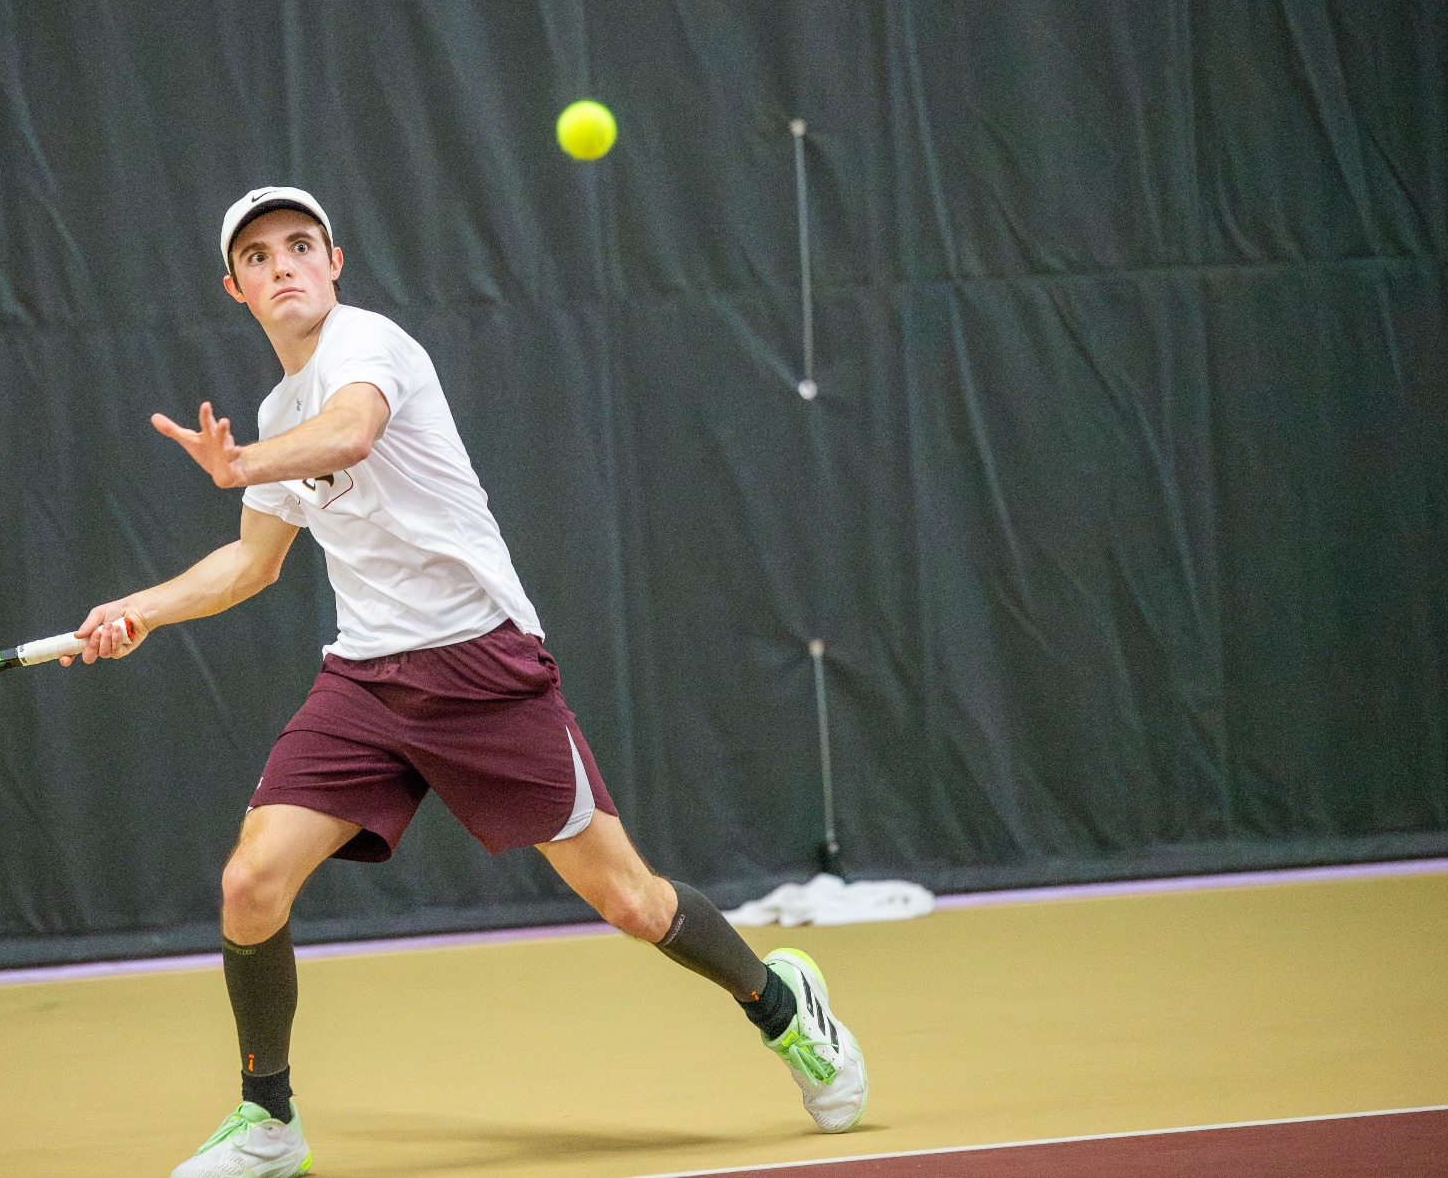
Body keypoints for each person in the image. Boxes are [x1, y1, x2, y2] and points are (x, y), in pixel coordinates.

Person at [67, 186, 867, 1178]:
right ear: (234, 287)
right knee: (249, 881)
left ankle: (782, 1006)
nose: (283, 265)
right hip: (364, 681)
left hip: (482, 667)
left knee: (627, 901)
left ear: (334, 262)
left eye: (300, 246)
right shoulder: (273, 416)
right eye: (261, 255)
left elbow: (351, 433)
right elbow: (251, 564)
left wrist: (243, 466)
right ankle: (268, 1120)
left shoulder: (371, 348)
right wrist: (138, 607)